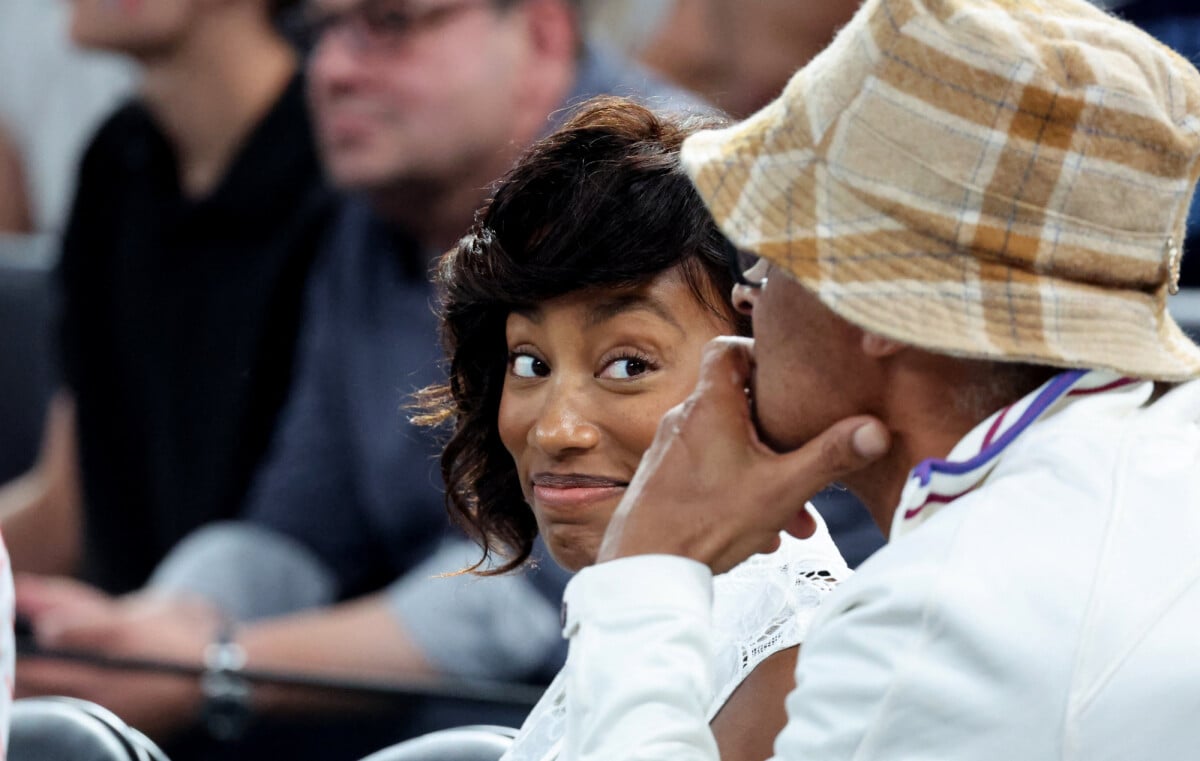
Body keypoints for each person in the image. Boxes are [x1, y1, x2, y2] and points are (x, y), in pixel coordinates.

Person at [15, 0, 708, 754]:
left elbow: (548, 577)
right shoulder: (380, 209)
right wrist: (153, 625)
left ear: (540, 33)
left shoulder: (665, 188)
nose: (334, 68)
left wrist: (214, 666)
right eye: (322, 31)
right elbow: (304, 516)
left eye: (389, 24)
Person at [547, 0, 1200, 758]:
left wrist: (647, 570)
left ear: (883, 307)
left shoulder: (936, 621)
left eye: (776, 253)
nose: (748, 294)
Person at [417, 97, 850, 761]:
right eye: (529, 361)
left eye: (627, 364)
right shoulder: (661, 609)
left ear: (760, 362)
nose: (557, 429)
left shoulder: (796, 663)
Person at [0, 0, 334, 591]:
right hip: (139, 643)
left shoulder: (343, 172)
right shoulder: (119, 160)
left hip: (281, 648)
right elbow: (65, 512)